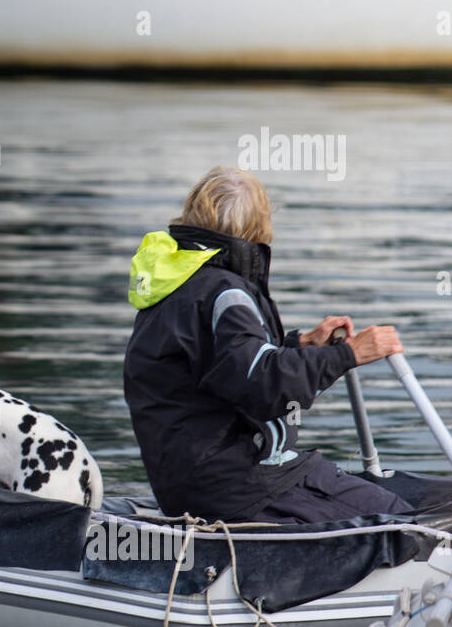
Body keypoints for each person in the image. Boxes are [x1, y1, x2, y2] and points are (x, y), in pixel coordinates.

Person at [123, 166, 411, 524]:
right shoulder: (224, 293)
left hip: (189, 483)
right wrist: (347, 354)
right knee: (399, 517)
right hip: (240, 484)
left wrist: (303, 345)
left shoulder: (176, 281)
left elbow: (228, 369)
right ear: (257, 229)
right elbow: (263, 385)